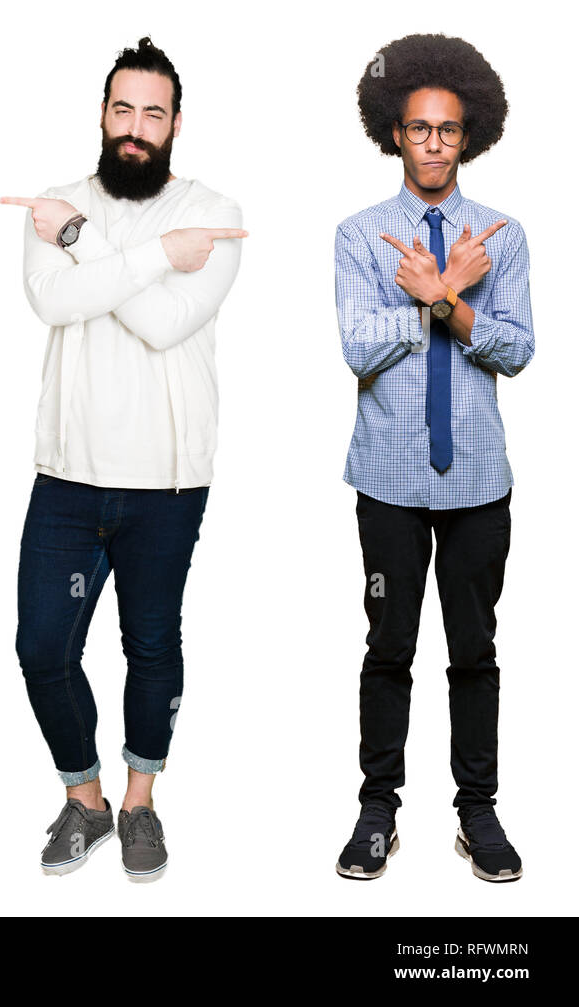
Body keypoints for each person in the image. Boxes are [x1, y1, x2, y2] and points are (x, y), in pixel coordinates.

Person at [1, 37, 245, 881]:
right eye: (122, 109)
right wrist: (120, 250)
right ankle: (87, 800)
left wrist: (82, 243)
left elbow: (166, 323)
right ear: (101, 115)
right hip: (68, 477)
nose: (136, 127)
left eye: (153, 112)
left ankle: (140, 806)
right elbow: (52, 298)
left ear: (176, 122)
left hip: (168, 481)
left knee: (151, 642)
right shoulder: (56, 201)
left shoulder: (213, 209)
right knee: (43, 649)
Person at [334, 33, 532, 883]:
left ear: (469, 134)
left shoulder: (504, 236)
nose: (433, 144)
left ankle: (477, 812)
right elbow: (359, 346)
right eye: (418, 128)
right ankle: (378, 809)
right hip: (388, 480)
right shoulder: (360, 236)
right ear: (395, 132)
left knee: (475, 651)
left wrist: (444, 296)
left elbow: (518, 350)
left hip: (480, 482)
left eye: (448, 130)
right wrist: (436, 297)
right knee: (389, 647)